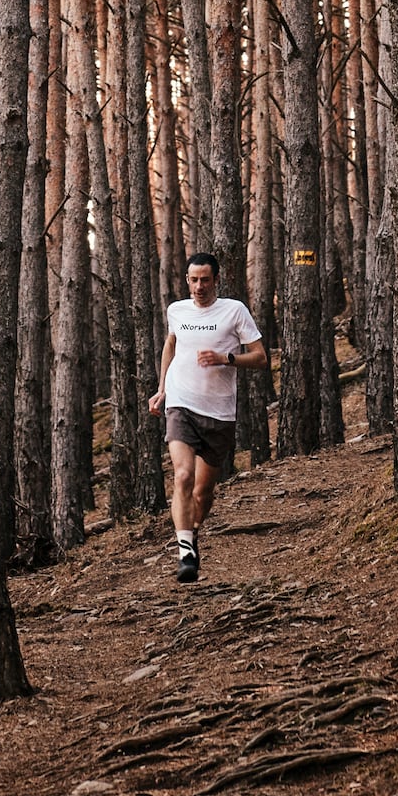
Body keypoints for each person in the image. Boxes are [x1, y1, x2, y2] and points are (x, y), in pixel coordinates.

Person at [147, 250, 265, 583]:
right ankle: (186, 554)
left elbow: (260, 358)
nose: (199, 287)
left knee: (203, 492)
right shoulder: (177, 311)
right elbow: (172, 344)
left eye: (205, 280)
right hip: (180, 403)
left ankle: (193, 532)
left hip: (219, 412)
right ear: (187, 280)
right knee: (182, 476)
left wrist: (226, 358)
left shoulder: (234, 311)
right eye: (194, 280)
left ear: (216, 280)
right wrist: (163, 388)